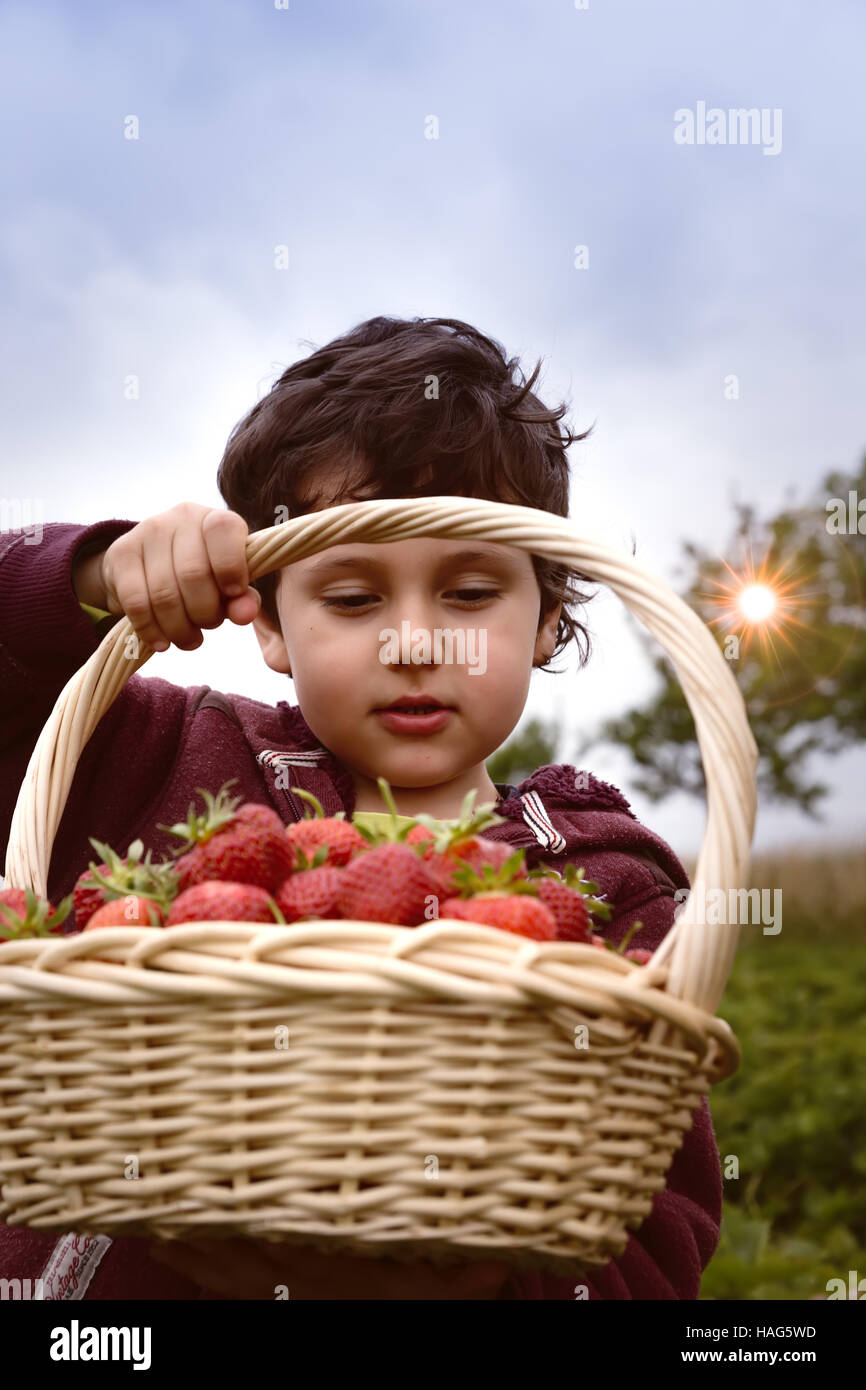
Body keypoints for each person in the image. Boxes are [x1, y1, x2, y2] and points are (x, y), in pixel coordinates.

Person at [0, 315, 722, 1300]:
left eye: (469, 593)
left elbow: (657, 1235)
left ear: (549, 612)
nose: (414, 642)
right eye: (349, 599)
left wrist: (457, 1287)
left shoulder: (604, 885)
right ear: (269, 623)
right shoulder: (160, 751)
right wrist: (92, 577)